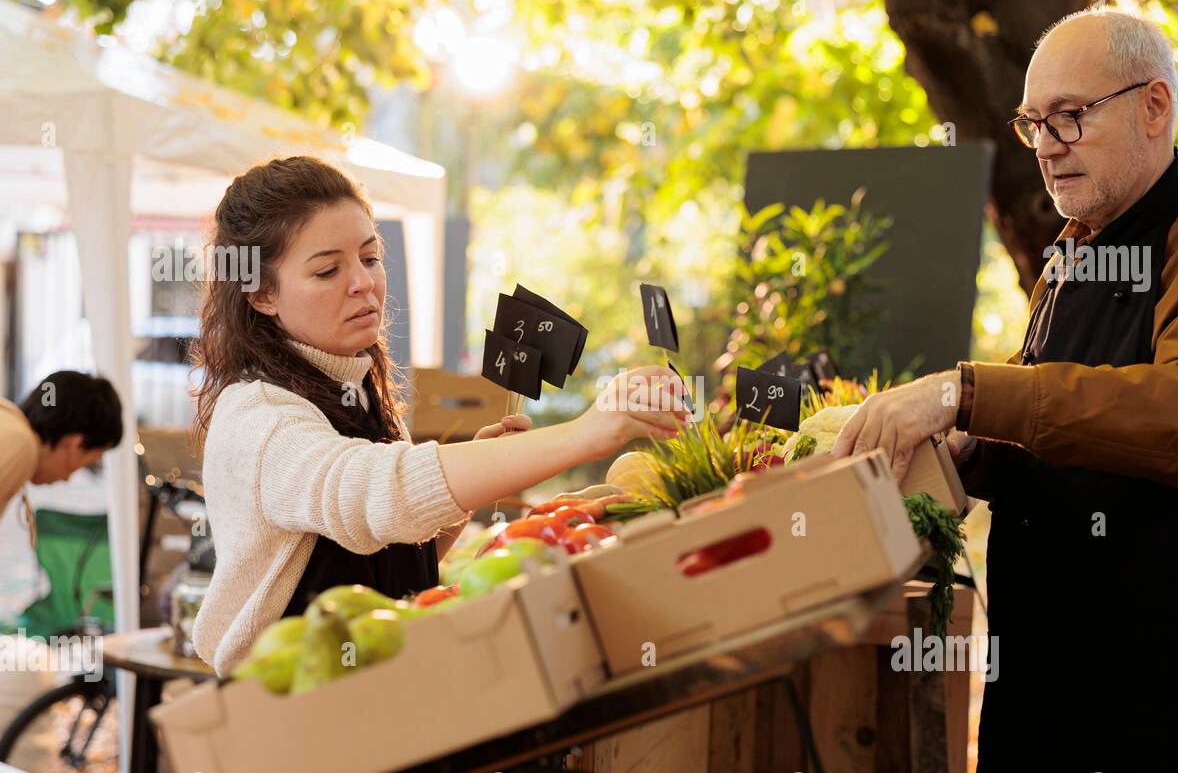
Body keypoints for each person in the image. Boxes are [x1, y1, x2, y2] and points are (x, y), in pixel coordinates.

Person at [832, 9, 1178, 773]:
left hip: (1156, 717)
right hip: (1035, 695)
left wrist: (966, 391)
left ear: (1155, 107)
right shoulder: (1074, 251)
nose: (1045, 143)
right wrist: (969, 449)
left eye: (1070, 116)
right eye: (1032, 122)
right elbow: (1054, 424)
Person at [191, 156, 689, 676]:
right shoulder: (258, 415)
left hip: (380, 686)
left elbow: (396, 540)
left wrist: (480, 471)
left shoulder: (356, 390)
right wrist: (588, 433)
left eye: (370, 257)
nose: (363, 282)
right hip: (287, 712)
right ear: (262, 293)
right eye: (328, 270)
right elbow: (368, 497)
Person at [0, 371, 123, 544]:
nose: (67, 478)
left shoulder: (9, 423)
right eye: (85, 463)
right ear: (74, 444)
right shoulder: (20, 444)